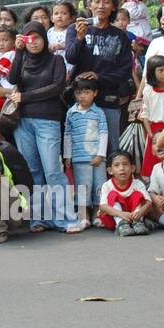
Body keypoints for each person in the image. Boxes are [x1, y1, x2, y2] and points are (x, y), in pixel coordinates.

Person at [8, 20, 82, 232]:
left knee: (52, 171)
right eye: (28, 38)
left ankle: (65, 219)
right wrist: (19, 51)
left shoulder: (55, 60)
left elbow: (57, 86)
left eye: (37, 38)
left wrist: (25, 96)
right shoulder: (21, 58)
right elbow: (12, 78)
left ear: (44, 38)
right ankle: (38, 218)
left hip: (47, 120)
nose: (33, 42)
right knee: (32, 171)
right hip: (22, 122)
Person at [65, 0, 133, 154]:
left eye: (106, 2)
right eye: (96, 1)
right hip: (81, 99)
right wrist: (80, 38)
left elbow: (125, 71)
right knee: (84, 148)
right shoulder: (75, 29)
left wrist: (99, 77)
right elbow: (71, 58)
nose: (101, 6)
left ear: (113, 7)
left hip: (108, 99)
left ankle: (111, 180)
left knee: (111, 148)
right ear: (88, 5)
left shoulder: (120, 35)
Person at [62, 78, 108, 224]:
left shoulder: (99, 112)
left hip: (98, 158)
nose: (82, 96)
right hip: (79, 158)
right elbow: (67, 135)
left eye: (87, 92)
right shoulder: (71, 113)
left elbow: (104, 133)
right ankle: (83, 215)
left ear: (95, 93)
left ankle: (97, 213)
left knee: (99, 185)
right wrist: (68, 156)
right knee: (82, 186)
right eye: (79, 92)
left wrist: (101, 154)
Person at [95, 151, 152, 236]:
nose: (121, 168)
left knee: (137, 194)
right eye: (117, 165)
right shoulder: (107, 185)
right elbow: (103, 206)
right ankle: (121, 224)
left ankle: (138, 222)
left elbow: (148, 202)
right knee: (113, 194)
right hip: (114, 217)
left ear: (132, 168)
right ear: (110, 170)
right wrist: (121, 214)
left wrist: (139, 213)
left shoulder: (138, 183)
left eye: (125, 164)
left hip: (133, 216)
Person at [139, 54, 164, 178]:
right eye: (161, 70)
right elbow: (145, 114)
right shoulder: (148, 90)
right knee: (153, 161)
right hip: (154, 129)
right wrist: (150, 134)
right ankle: (153, 190)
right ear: (152, 72)